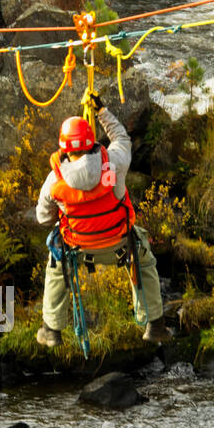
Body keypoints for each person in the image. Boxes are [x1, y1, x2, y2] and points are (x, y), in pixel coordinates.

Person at [35, 97, 168, 347]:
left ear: (64, 148)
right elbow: (122, 138)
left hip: (78, 250)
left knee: (55, 262)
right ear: (90, 142)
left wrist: (68, 210)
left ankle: (51, 330)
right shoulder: (115, 163)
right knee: (145, 261)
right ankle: (155, 325)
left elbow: (42, 218)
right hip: (120, 246)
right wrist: (102, 111)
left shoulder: (54, 181)